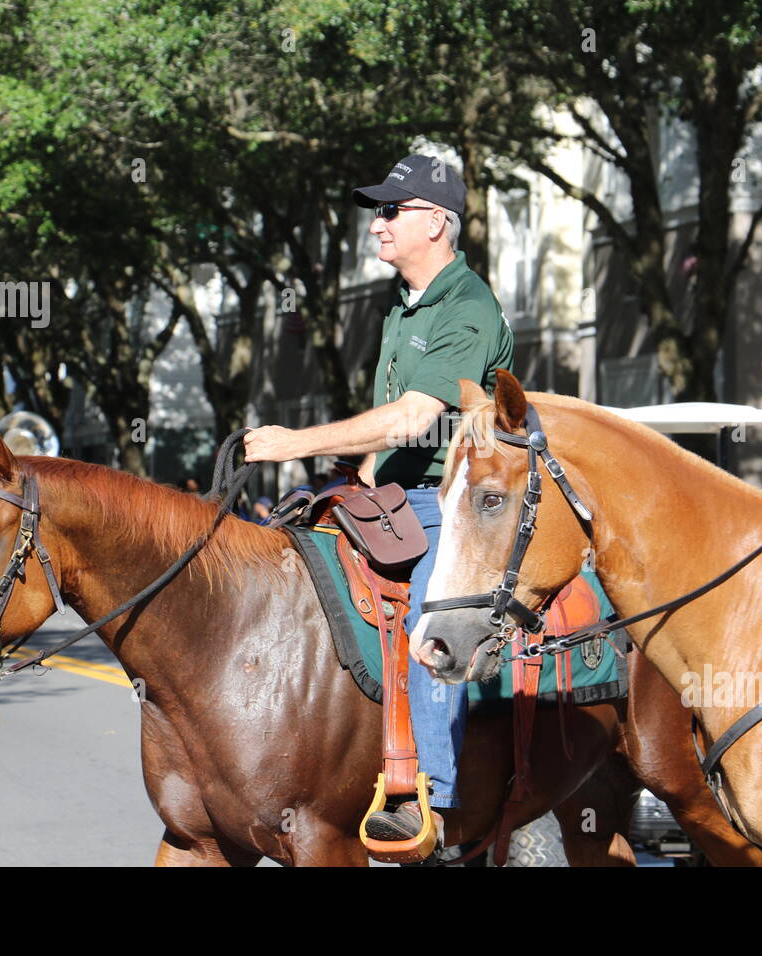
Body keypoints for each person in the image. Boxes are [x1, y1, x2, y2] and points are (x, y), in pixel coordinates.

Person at [244, 154, 514, 843]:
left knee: (430, 627)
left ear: (434, 221)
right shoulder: (402, 308)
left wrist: (293, 442)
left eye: (391, 211)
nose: (377, 226)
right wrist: (350, 477)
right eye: (378, 212)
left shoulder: (467, 306)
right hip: (398, 496)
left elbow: (412, 419)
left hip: (460, 509)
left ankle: (427, 796)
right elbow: (388, 431)